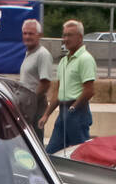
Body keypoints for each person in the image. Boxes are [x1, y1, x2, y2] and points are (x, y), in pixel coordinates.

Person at [40, 19, 97, 154]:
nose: (65, 39)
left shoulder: (85, 59)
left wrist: (73, 108)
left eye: (70, 35)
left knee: (81, 155)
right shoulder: (64, 61)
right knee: (51, 154)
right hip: (63, 113)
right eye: (64, 35)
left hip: (77, 113)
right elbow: (58, 92)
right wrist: (46, 115)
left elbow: (89, 90)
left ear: (80, 37)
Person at [17, 19, 54, 137]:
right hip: (26, 107)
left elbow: (46, 83)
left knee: (35, 142)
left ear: (39, 35)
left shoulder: (43, 54)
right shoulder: (29, 53)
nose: (27, 36)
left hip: (35, 106)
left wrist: (30, 100)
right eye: (25, 33)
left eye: (31, 33)